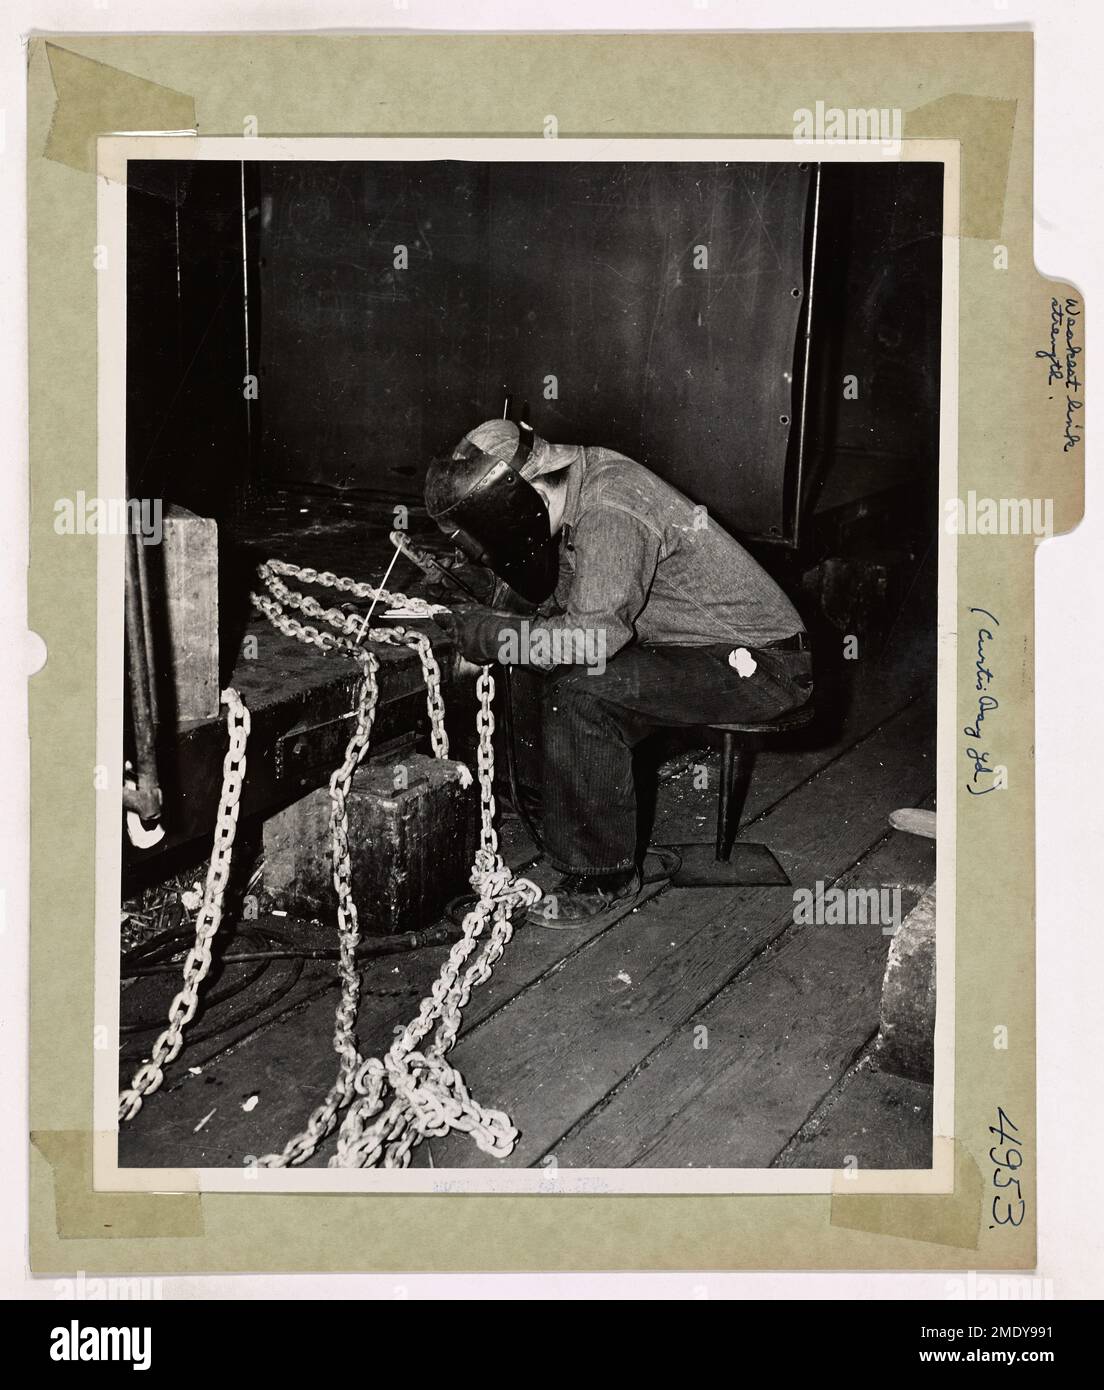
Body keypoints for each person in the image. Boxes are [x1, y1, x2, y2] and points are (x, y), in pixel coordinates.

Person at [425, 418, 813, 928]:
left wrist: (489, 636)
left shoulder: (611, 507)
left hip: (763, 668)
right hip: (698, 648)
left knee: (581, 694)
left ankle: (602, 875)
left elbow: (590, 641)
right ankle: (566, 816)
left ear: (528, 495)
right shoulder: (586, 478)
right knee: (555, 669)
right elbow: (571, 611)